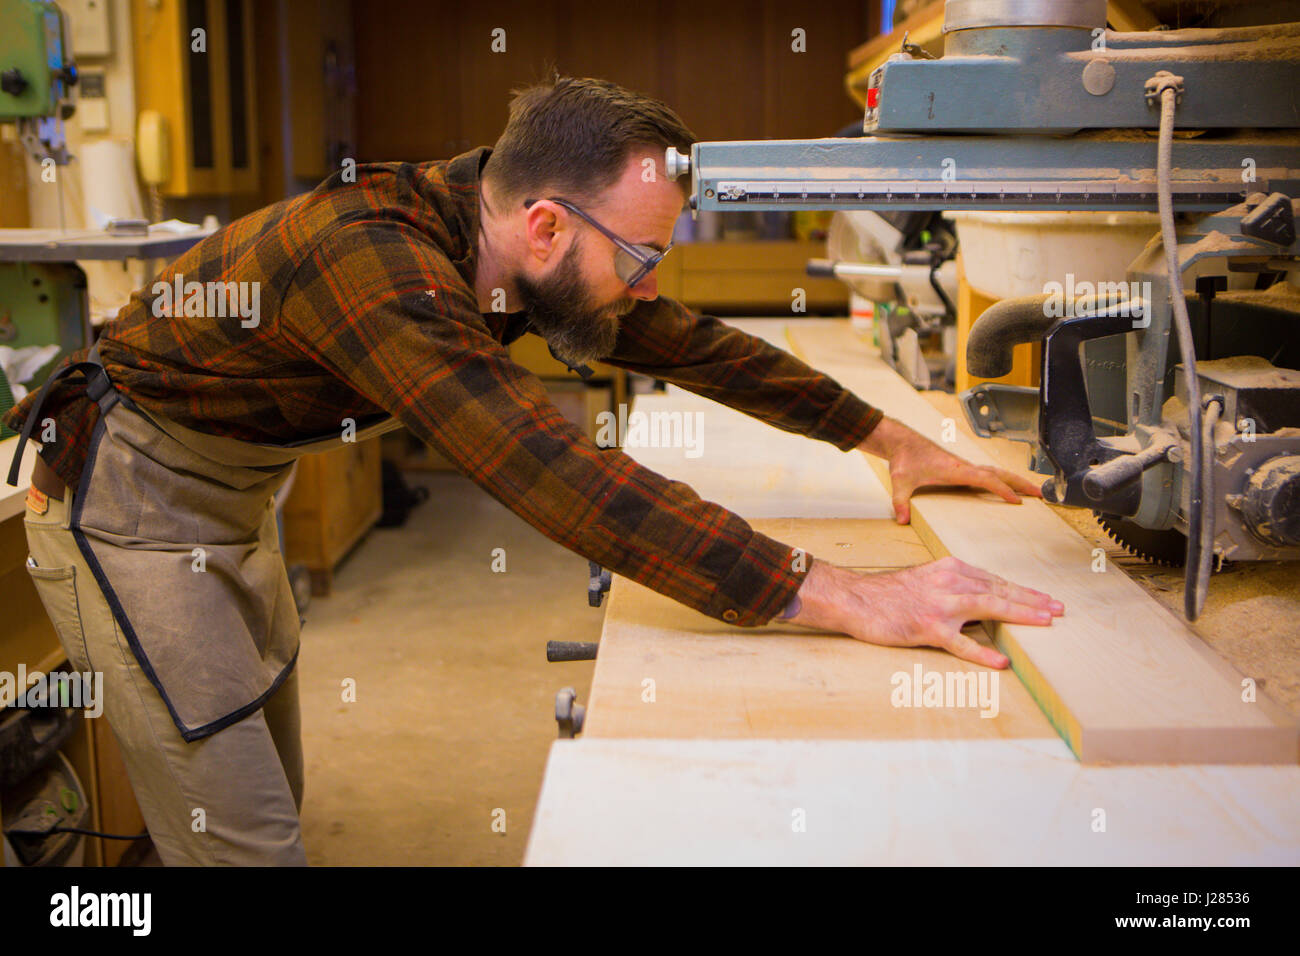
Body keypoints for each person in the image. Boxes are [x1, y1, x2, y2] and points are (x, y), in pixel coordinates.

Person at [4, 76, 1061, 866]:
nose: (648, 284)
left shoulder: (507, 236)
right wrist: (835, 592)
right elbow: (552, 471)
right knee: (244, 836)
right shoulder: (376, 263)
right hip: (131, 497)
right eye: (641, 257)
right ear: (549, 222)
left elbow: (690, 343)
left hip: (234, 488)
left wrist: (888, 439)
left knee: (266, 763)